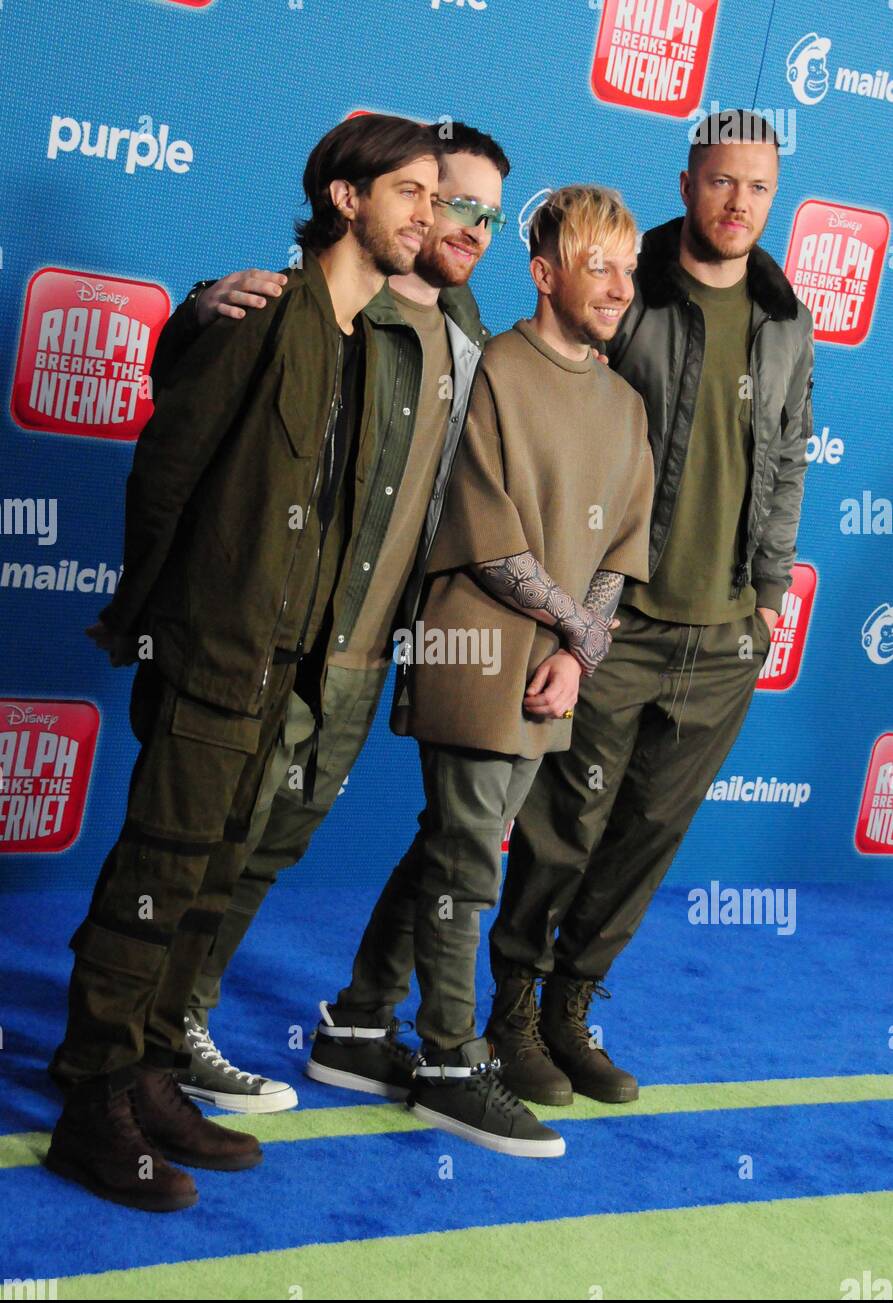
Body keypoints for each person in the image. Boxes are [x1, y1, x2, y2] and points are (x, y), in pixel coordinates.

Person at [46, 114, 443, 1210]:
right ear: (345, 198)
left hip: (290, 672)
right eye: (407, 191)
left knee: (212, 881)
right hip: (215, 654)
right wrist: (142, 612)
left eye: (436, 194)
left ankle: (148, 1069)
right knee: (156, 876)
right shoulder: (261, 314)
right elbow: (166, 465)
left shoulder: (370, 343)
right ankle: (89, 1097)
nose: (429, 212)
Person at [147, 124, 511, 1113]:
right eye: (443, 199)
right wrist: (193, 307)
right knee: (211, 835)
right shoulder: (335, 305)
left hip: (365, 650)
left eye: (481, 211)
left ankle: (178, 1015)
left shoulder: (469, 328)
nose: (459, 222)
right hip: (279, 638)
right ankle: (154, 1032)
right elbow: (212, 371)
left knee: (270, 844)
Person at [311, 185, 654, 1157]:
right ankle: (453, 1062)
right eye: (598, 266)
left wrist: (578, 654)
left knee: (447, 843)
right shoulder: (490, 370)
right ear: (543, 273)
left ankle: (355, 1018)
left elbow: (622, 553)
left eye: (627, 270)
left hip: (553, 670)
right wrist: (564, 634)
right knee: (467, 855)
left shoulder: (624, 403)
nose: (618, 288)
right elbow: (482, 529)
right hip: (474, 643)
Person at [485, 111, 816, 1108]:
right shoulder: (628, 290)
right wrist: (578, 610)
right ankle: (507, 1010)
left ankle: (568, 1008)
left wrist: (763, 600)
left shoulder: (785, 319)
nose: (738, 204)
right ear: (685, 184)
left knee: (642, 840)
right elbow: (560, 422)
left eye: (757, 187)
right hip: (613, 628)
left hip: (722, 638)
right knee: (559, 831)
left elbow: (790, 455)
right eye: (721, 183)